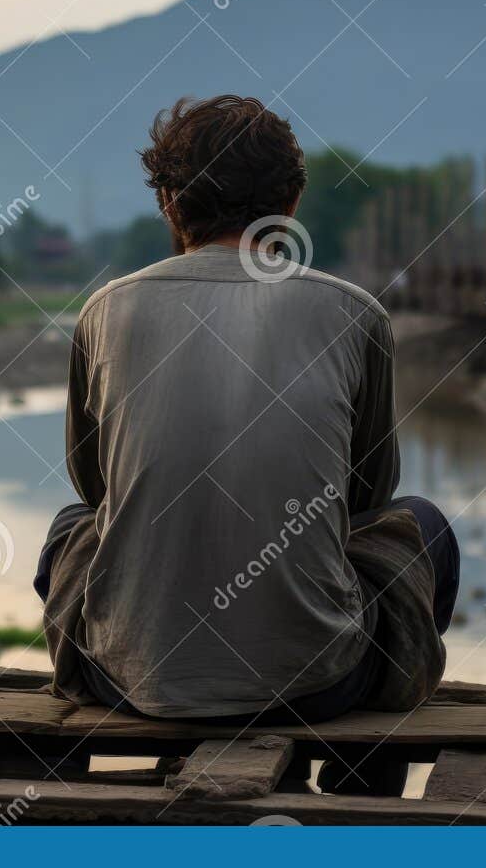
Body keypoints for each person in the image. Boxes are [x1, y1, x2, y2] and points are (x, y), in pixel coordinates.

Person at [33, 95, 459, 728]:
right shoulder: (355, 313)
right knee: (424, 524)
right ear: (292, 203)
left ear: (169, 202)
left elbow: (99, 492)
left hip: (127, 679)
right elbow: (367, 499)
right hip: (319, 684)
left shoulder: (104, 311)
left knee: (71, 524)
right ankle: (368, 767)